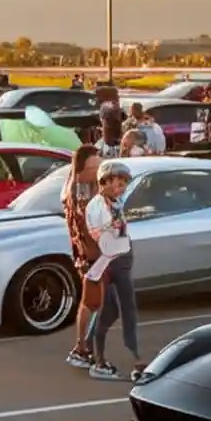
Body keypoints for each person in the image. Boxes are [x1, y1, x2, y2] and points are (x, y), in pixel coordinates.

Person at [83, 161, 145, 381]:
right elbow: (98, 234)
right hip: (107, 261)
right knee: (108, 309)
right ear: (104, 182)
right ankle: (97, 357)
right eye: (118, 183)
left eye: (124, 184)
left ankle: (136, 358)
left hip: (122, 259)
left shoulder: (116, 203)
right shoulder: (96, 206)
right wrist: (111, 231)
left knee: (128, 308)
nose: (121, 188)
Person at [62, 145, 103, 369]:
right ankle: (81, 348)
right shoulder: (84, 189)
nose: (97, 171)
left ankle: (84, 347)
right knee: (93, 302)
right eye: (93, 167)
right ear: (82, 167)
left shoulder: (73, 184)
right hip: (92, 253)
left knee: (94, 302)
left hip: (86, 253)